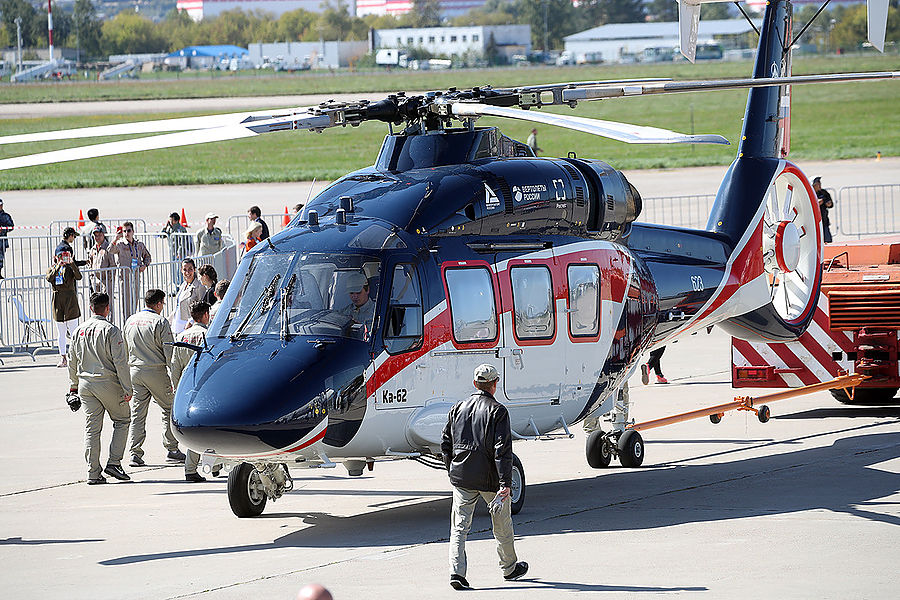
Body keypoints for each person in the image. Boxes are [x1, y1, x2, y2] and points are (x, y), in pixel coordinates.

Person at [441, 364, 528, 590]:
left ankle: (456, 573)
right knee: (502, 525)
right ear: (495, 384)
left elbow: (445, 442)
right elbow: (502, 451)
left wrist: (452, 468)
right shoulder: (498, 411)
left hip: (462, 477)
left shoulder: (457, 407)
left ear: (474, 384)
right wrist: (505, 484)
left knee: (459, 527)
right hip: (489, 480)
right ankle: (509, 568)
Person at [67, 293, 133, 485]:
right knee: (122, 420)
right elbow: (120, 362)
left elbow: (72, 361)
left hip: (85, 385)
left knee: (92, 429)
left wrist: (73, 386)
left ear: (90, 308)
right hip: (107, 383)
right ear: (107, 308)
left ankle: (93, 472)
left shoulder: (79, 330)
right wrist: (127, 388)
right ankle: (114, 463)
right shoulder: (111, 330)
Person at [124, 288, 185, 467]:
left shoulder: (131, 320)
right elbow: (169, 353)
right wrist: (174, 378)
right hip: (155, 371)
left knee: (138, 413)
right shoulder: (160, 322)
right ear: (158, 304)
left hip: (135, 370)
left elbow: (125, 347)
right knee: (168, 409)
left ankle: (135, 452)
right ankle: (172, 449)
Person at [170, 300, 212, 482]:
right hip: (204, 387)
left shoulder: (182, 336)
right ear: (205, 315)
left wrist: (176, 387)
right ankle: (192, 468)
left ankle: (208, 465)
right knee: (201, 429)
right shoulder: (208, 335)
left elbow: (174, 365)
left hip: (186, 386)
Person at [47, 250, 82, 367]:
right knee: (61, 333)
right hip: (58, 302)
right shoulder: (53, 268)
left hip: (70, 301)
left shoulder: (70, 268)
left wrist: (72, 264)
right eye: (61, 256)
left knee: (74, 332)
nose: (63, 258)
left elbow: (79, 276)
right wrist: (58, 266)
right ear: (55, 257)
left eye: (65, 256)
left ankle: (77, 357)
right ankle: (63, 357)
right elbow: (49, 278)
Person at [108, 221, 151, 317]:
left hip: (136, 276)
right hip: (125, 278)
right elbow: (110, 250)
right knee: (126, 302)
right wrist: (116, 238)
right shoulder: (120, 244)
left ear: (133, 231)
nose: (127, 233)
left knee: (135, 300)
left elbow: (147, 256)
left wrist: (145, 265)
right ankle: (126, 323)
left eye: (129, 230)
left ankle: (133, 321)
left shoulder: (139, 244)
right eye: (124, 231)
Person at [170, 258, 205, 334]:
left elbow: (201, 307)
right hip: (176, 324)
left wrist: (191, 322)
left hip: (188, 326)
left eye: (190, 269)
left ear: (194, 269)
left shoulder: (199, 286)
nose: (187, 272)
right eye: (185, 269)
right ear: (181, 270)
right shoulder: (183, 285)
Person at [161, 212, 192, 289]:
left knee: (180, 270)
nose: (170, 222)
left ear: (176, 221)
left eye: (172, 221)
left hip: (180, 253)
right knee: (173, 271)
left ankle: (182, 286)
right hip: (172, 252)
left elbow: (183, 242)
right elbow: (162, 235)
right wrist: (165, 227)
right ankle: (176, 286)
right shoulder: (169, 228)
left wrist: (180, 252)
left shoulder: (181, 229)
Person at [87, 225, 116, 303]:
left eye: (99, 235)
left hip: (106, 281)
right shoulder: (92, 249)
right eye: (95, 235)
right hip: (96, 281)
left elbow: (113, 264)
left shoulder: (108, 248)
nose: (97, 237)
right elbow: (90, 263)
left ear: (103, 235)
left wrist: (109, 279)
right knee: (97, 304)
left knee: (107, 304)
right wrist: (92, 277)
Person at [813, 176, 834, 243]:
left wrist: (829, 204)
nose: (819, 185)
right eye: (817, 184)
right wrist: (816, 204)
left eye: (819, 183)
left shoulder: (824, 192)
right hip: (814, 224)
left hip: (824, 222)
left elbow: (830, 203)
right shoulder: (810, 194)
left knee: (828, 241)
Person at [0, 197, 13, 279]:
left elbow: (11, 226)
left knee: (0, 259)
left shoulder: (6, 216)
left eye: (1, 205)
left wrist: (3, 230)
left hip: (2, 242)